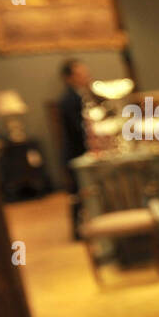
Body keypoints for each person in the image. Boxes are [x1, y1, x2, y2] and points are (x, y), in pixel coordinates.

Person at [58, 59, 91, 241]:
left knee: (79, 192)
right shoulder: (68, 100)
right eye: (80, 73)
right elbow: (78, 129)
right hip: (75, 152)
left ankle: (79, 229)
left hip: (78, 151)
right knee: (78, 192)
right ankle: (77, 231)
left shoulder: (81, 95)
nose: (85, 76)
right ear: (69, 78)